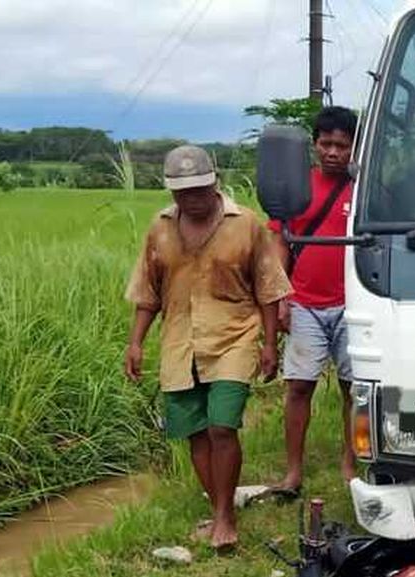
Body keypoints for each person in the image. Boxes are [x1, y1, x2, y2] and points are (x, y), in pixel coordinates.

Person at [124, 145, 291, 549]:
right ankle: (219, 509)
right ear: (171, 192)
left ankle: (225, 517)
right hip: (179, 342)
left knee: (221, 426)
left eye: (199, 189)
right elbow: (149, 291)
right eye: (183, 193)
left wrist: (270, 344)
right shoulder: (160, 228)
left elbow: (268, 289)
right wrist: (135, 343)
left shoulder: (245, 223)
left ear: (214, 182)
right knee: (195, 432)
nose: (192, 199)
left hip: (234, 337)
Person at [268, 106, 359, 494]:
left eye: (342, 145)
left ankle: (351, 464)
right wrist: (280, 296)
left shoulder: (365, 190)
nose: (333, 152)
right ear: (315, 145)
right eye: (326, 144)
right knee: (299, 387)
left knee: (354, 389)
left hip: (355, 304)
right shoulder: (297, 188)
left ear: (355, 146)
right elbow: (279, 244)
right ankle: (293, 472)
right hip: (305, 301)